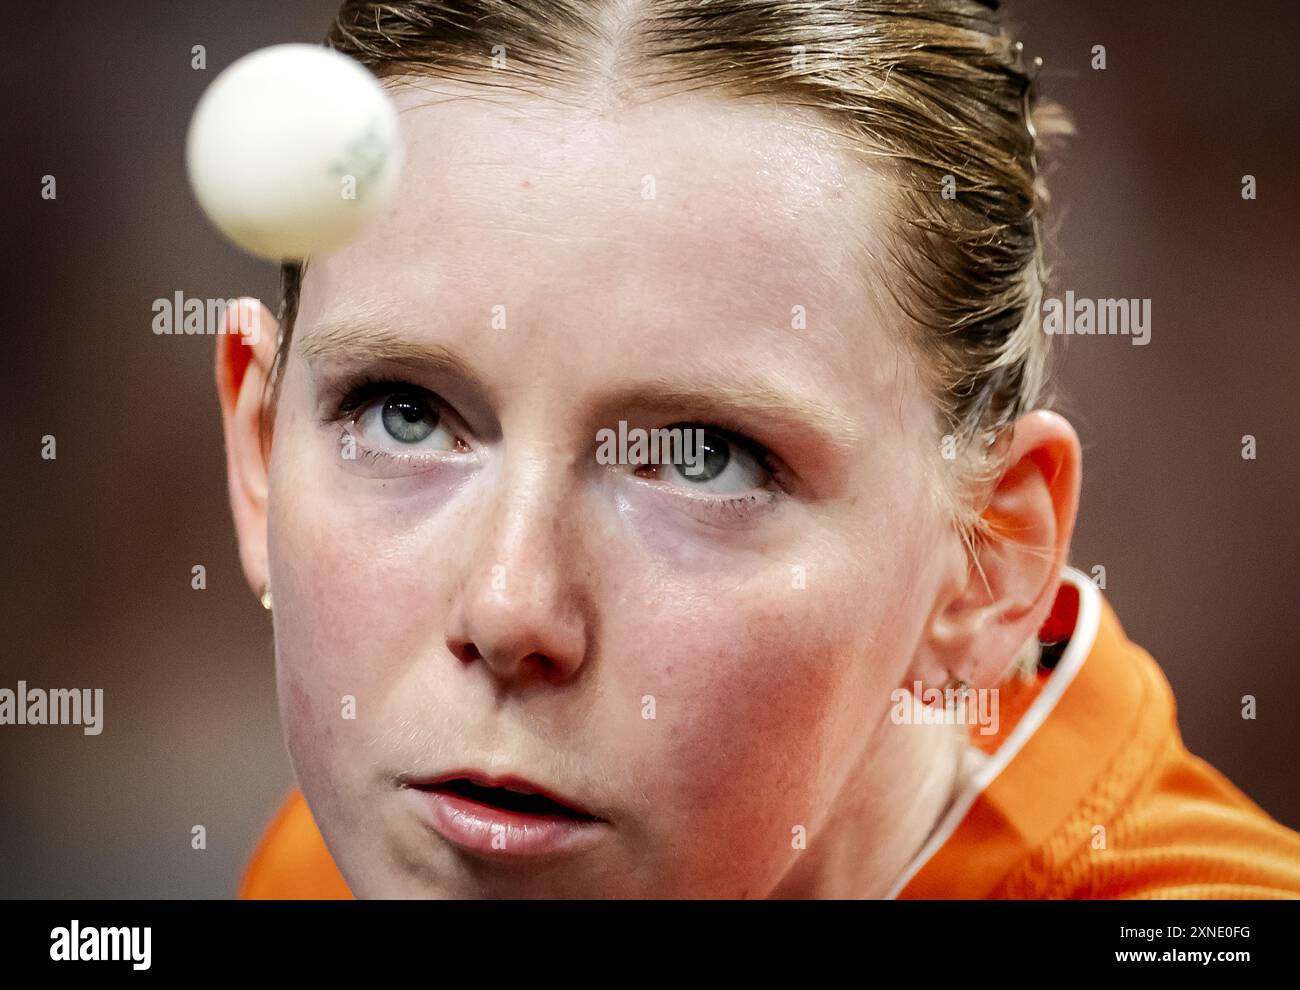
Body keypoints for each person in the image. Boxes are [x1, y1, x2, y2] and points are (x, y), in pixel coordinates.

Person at [217, 0, 1300, 898]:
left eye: (702, 457)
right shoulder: (349, 860)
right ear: (261, 455)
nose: (508, 611)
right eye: (402, 413)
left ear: (981, 567)